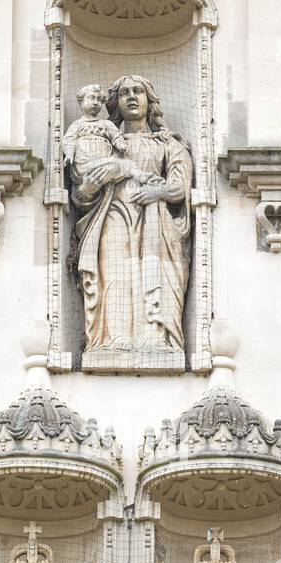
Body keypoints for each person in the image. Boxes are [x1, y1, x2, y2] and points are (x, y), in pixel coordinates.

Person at [69, 75, 192, 354]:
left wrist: (157, 193)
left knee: (155, 273)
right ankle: (114, 339)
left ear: (150, 100)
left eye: (138, 91)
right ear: (114, 102)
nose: (132, 97)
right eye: (124, 93)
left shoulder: (167, 143)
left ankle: (156, 337)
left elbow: (180, 186)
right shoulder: (103, 144)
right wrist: (91, 184)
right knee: (114, 276)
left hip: (155, 222)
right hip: (112, 217)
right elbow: (79, 198)